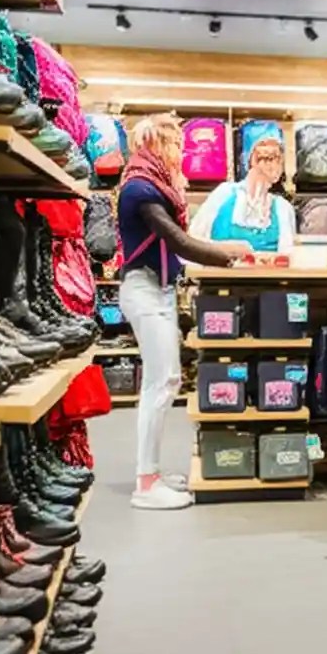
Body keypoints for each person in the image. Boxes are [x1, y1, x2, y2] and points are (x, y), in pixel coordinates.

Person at [117, 114, 250, 510]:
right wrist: (229, 254)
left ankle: (152, 472)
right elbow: (178, 241)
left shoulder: (149, 184)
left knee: (163, 383)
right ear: (157, 143)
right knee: (161, 385)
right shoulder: (141, 189)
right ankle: (145, 483)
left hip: (155, 291)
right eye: (175, 143)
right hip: (143, 291)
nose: (180, 152)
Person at [188, 135, 297, 252]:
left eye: (275, 158)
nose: (268, 164)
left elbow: (287, 256)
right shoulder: (224, 194)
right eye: (262, 157)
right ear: (250, 161)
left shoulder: (283, 209)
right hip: (221, 269)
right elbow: (193, 242)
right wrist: (228, 248)